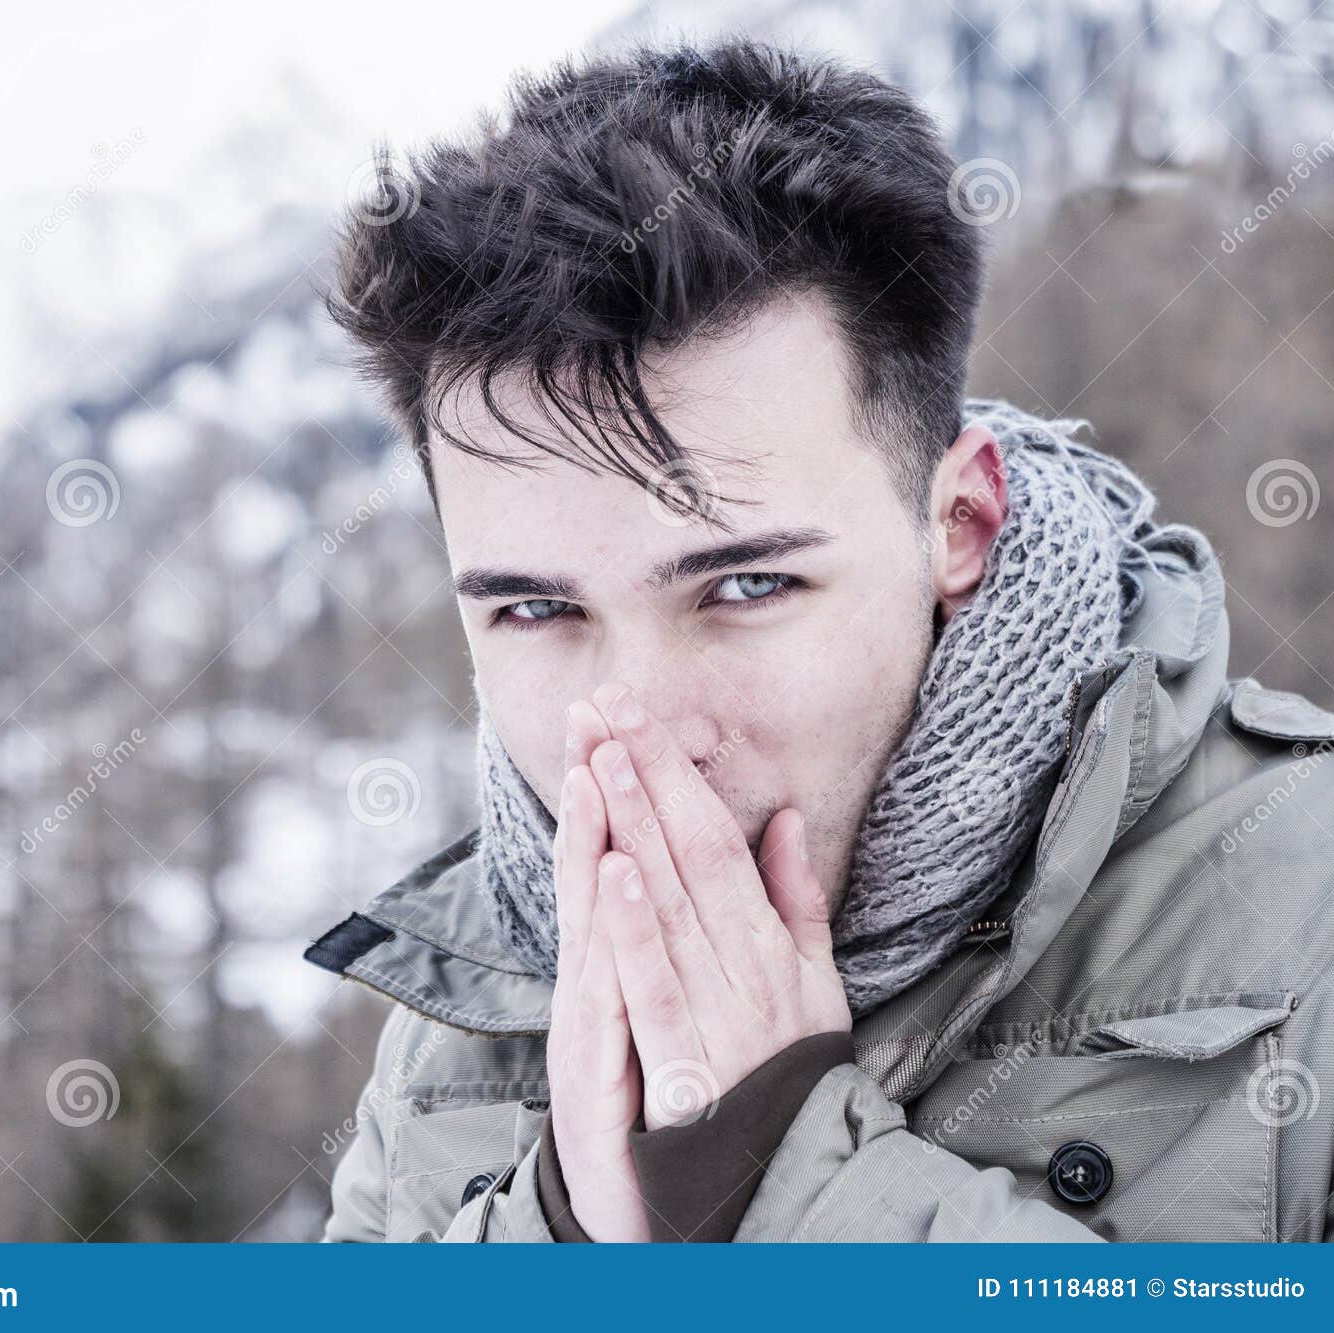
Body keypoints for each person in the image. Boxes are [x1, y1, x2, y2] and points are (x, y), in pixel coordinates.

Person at [303, 38, 1334, 1242]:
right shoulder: (450, 1026)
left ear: (957, 521)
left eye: (743, 585)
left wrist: (792, 1194)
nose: (647, 736)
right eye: (538, 609)